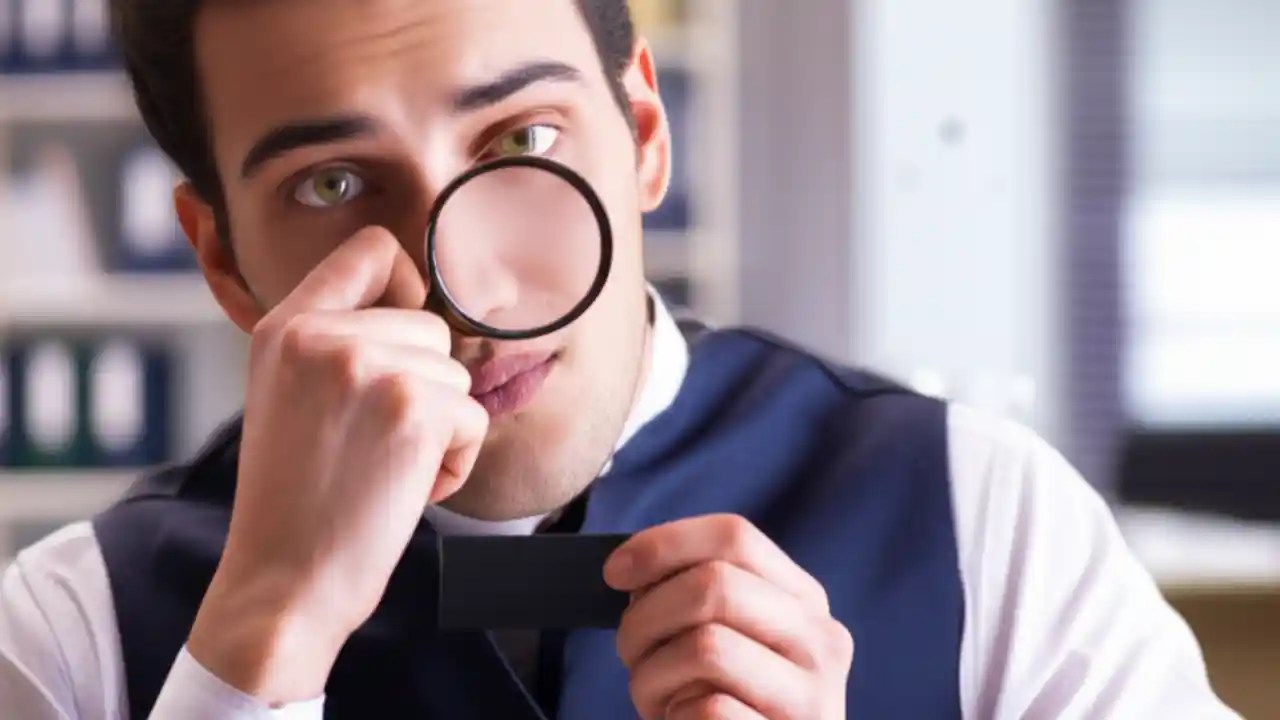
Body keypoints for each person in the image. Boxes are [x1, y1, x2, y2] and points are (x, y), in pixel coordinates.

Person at [0, 1, 1240, 718]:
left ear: (642, 133)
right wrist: (254, 648)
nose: (463, 288)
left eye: (524, 136)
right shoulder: (72, 634)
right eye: (334, 185)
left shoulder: (987, 523)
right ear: (222, 262)